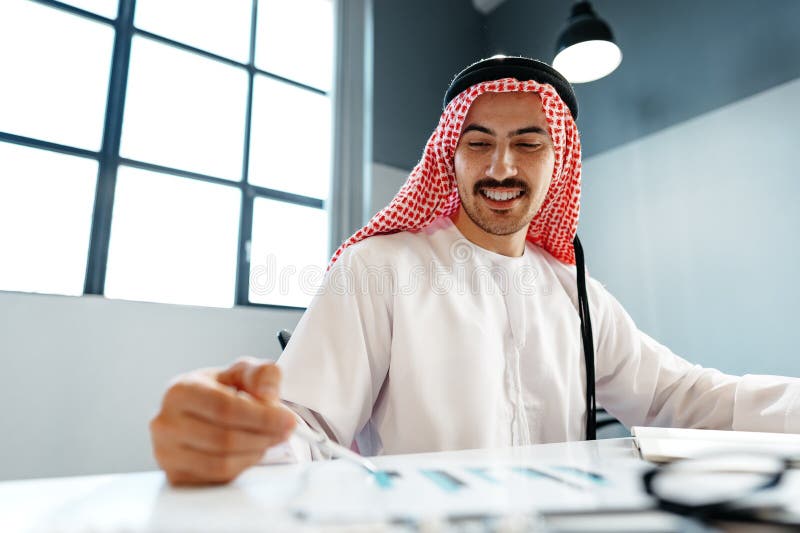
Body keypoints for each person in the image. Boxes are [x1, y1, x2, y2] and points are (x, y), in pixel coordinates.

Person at [149, 56, 800, 486]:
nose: (500, 167)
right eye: (479, 142)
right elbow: (300, 428)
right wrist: (235, 439)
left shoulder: (576, 293)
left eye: (527, 143)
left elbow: (680, 398)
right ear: (449, 157)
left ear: (559, 160)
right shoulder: (377, 269)